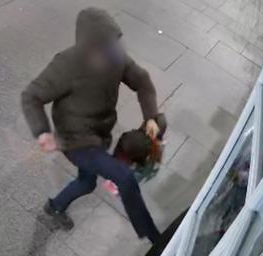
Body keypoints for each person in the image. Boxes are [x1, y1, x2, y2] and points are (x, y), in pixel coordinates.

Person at [21, 7, 161, 243]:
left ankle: (54, 207)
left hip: (99, 135)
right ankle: (154, 237)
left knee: (86, 183)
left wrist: (151, 120)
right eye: (100, 46)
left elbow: (143, 82)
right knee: (124, 177)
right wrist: (42, 132)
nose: (106, 53)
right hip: (74, 140)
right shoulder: (67, 63)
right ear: (86, 44)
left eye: (110, 45)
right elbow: (31, 95)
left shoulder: (116, 58)